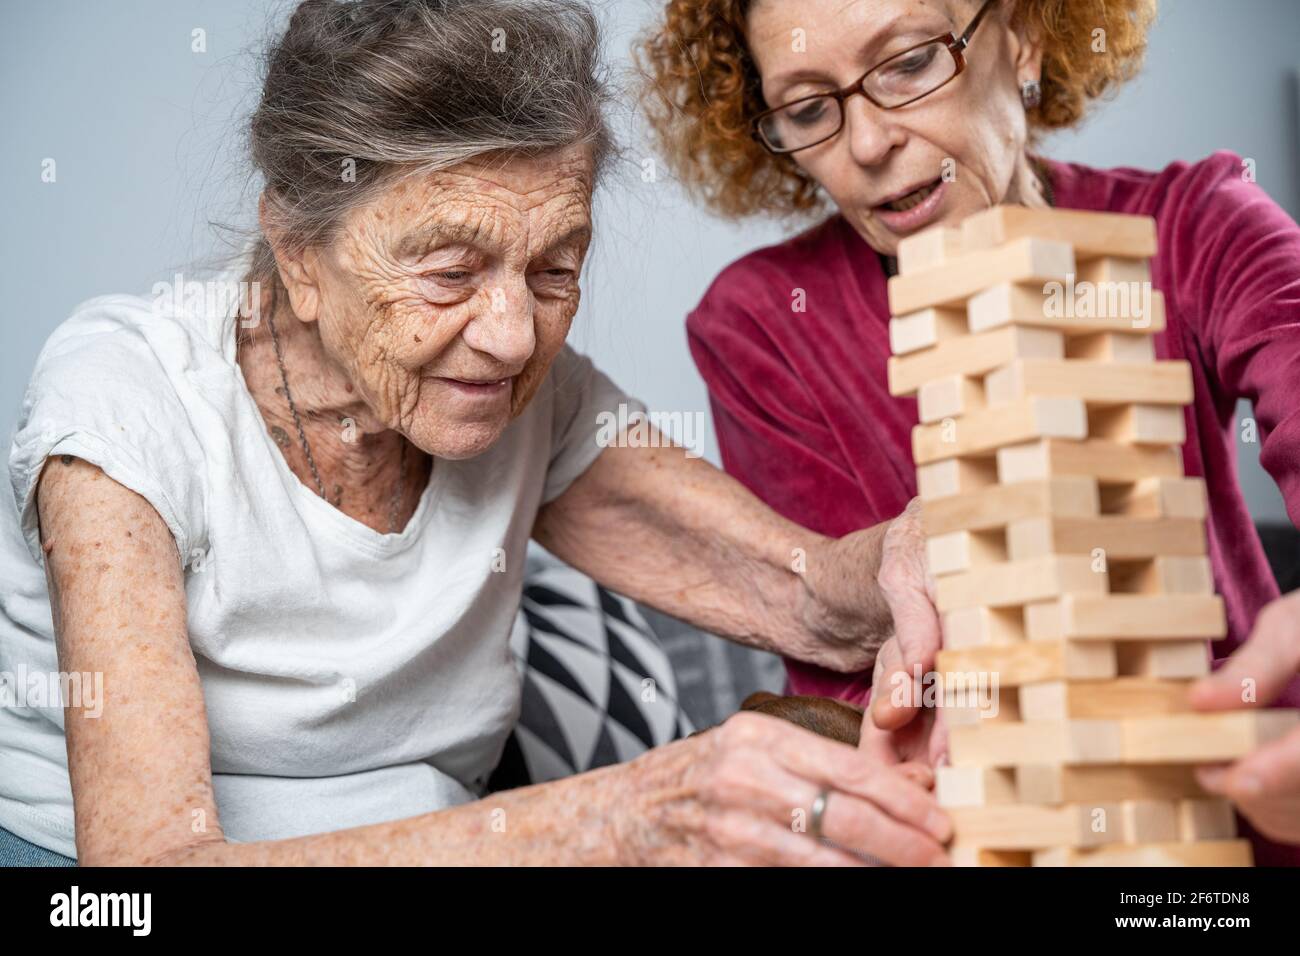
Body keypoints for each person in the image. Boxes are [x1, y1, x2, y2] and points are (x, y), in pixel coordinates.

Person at [0, 0, 952, 867]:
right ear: (298, 251)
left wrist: (921, 549)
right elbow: (139, 884)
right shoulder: (126, 399)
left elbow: (808, 603)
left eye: (554, 269)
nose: (509, 337)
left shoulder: (528, 394)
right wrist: (623, 818)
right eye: (450, 271)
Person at [639, 0, 1300, 863]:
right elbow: (853, 667)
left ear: (1023, 34)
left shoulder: (1195, 224)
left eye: (910, 63)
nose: (869, 143)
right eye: (809, 110)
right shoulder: (762, 324)